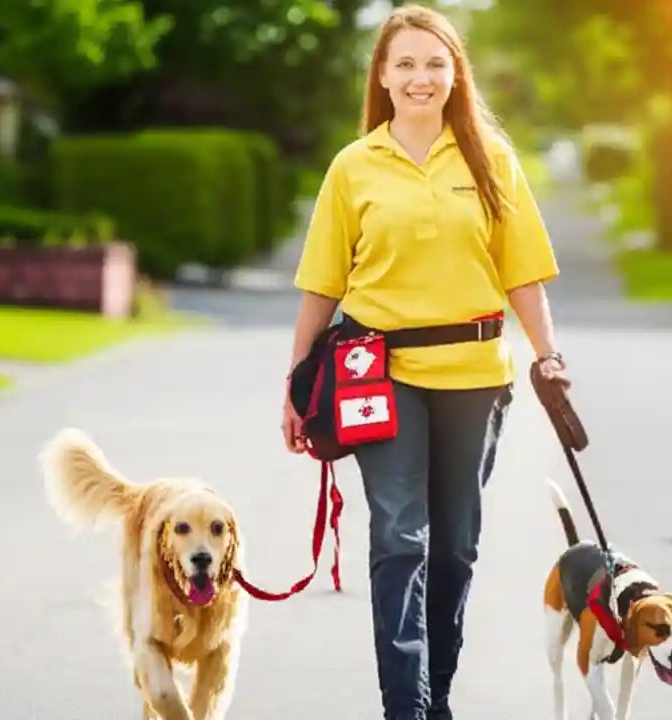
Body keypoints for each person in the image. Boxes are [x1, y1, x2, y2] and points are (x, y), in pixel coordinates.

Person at [280, 5, 567, 719]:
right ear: (381, 75)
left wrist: (550, 359)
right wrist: (295, 384)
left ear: (455, 74)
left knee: (458, 545)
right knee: (398, 535)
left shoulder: (490, 158)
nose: (420, 77)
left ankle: (436, 692)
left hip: (476, 376)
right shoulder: (354, 167)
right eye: (405, 63)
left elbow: (522, 272)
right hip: (380, 376)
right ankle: (406, 709)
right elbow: (322, 282)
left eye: (435, 63)